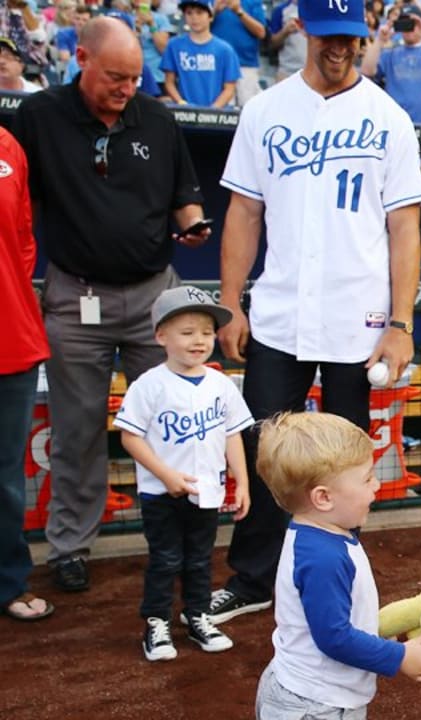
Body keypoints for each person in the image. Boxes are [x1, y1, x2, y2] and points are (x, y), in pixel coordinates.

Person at [214, 0, 421, 623]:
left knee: (344, 461)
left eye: (352, 39)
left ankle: (339, 578)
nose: (341, 49)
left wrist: (400, 322)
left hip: (356, 321)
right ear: (306, 30)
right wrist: (231, 303)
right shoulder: (265, 109)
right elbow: (244, 214)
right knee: (263, 449)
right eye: (330, 36)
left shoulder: (387, 117)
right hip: (280, 313)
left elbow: (405, 229)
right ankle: (254, 576)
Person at [11, 17, 211, 594]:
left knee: (174, 420)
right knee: (75, 430)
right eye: (115, 77)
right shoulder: (40, 116)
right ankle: (70, 546)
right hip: (77, 298)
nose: (125, 88)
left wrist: (194, 227)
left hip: (154, 295)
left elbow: (184, 198)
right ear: (81, 59)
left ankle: (179, 537)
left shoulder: (158, 117)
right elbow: (21, 203)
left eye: (134, 78)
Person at [253, 413, 421, 717]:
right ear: (324, 498)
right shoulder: (323, 558)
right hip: (316, 705)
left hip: (312, 697)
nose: (377, 485)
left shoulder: (322, 535)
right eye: (367, 478)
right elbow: (334, 637)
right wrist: (399, 657)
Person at [114, 287, 252, 661]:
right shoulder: (149, 384)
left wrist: (241, 481)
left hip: (206, 490)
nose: (199, 340)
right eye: (187, 331)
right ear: (161, 336)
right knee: (166, 559)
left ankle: (197, 615)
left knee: (199, 559)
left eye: (207, 332)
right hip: (163, 494)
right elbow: (130, 437)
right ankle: (157, 622)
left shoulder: (221, 383)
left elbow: (233, 434)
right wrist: (166, 474)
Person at [0, 126, 53, 623]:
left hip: (9, 336)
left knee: (6, 478)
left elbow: (21, 242)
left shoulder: (8, 146)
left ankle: (8, 582)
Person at [360, 6, 421, 126]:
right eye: (406, 23)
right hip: (396, 121)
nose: (410, 28)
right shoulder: (391, 52)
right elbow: (367, 71)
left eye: (413, 24)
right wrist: (380, 39)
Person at [160, 0, 240, 109]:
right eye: (189, 13)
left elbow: (229, 88)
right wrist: (181, 103)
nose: (194, 17)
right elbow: (169, 82)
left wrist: (213, 110)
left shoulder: (225, 49)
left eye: (199, 12)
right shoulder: (174, 45)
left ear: (210, 16)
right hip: (183, 113)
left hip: (216, 115)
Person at [209, 0, 265, 106]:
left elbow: (261, 32)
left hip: (245, 65)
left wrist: (239, 11)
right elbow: (196, 27)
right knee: (220, 112)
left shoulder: (253, 2)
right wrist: (214, 11)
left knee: (249, 107)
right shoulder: (212, 2)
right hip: (216, 67)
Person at [266, 0, 305, 82]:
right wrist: (285, 31)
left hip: (315, 73)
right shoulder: (280, 10)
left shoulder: (318, 10)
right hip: (287, 72)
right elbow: (273, 44)